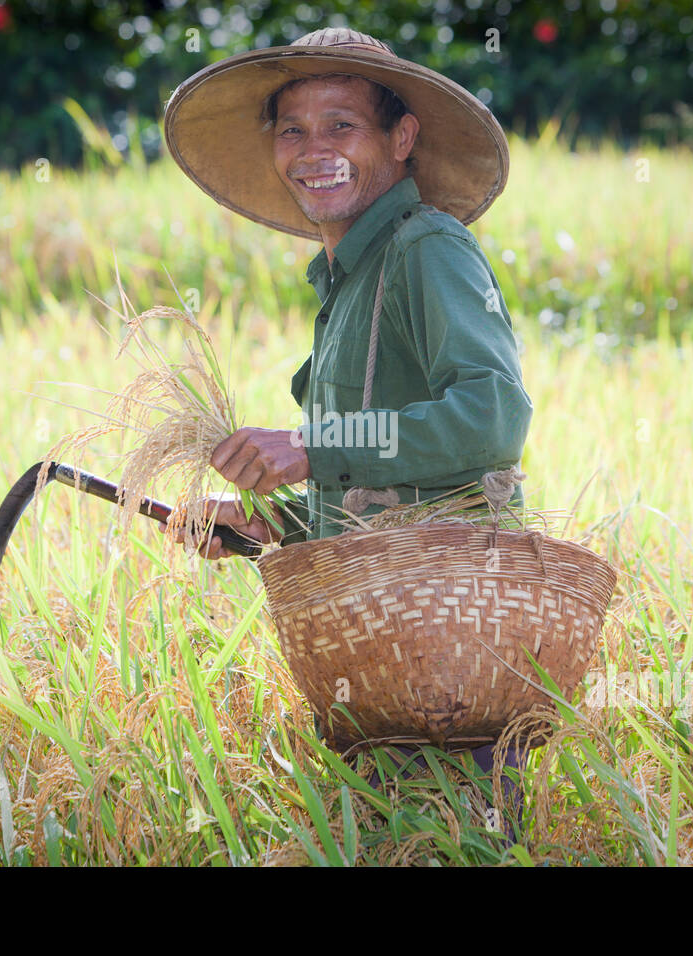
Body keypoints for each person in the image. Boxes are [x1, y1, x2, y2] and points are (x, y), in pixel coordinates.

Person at [161, 26, 533, 830]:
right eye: (293, 129)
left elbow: (493, 418)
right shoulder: (346, 277)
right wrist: (267, 525)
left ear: (402, 139)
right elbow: (385, 472)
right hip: (376, 650)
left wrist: (306, 446)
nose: (313, 148)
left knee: (453, 842)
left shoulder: (426, 247)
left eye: (342, 126)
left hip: (449, 648)